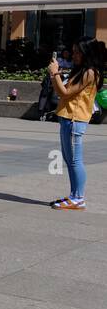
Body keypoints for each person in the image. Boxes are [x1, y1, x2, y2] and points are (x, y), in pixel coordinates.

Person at [48, 39, 105, 210]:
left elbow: (64, 92)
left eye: (78, 52)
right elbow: (62, 92)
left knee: (75, 161)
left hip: (75, 120)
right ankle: (74, 195)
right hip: (68, 118)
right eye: (74, 51)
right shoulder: (81, 71)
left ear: (87, 53)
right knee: (69, 159)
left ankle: (78, 197)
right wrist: (56, 75)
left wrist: (54, 73)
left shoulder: (90, 72)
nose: (74, 55)